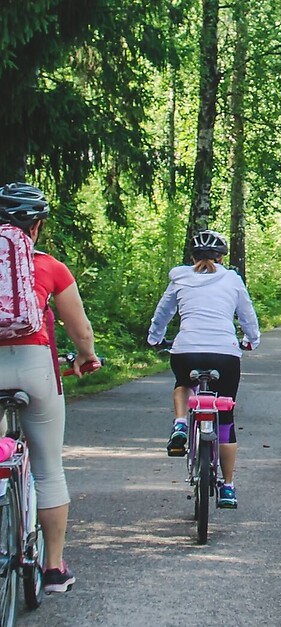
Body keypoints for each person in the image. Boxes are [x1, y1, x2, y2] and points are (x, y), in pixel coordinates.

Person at [0, 182, 101, 594]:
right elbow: (79, 330)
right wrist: (85, 356)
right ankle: (54, 568)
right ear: (37, 225)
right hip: (36, 364)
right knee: (48, 468)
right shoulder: (50, 267)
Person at [147, 229, 260, 509]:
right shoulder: (233, 279)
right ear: (221, 257)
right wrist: (251, 340)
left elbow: (164, 312)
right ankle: (228, 487)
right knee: (226, 418)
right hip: (225, 355)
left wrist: (155, 337)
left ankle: (181, 424)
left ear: (192, 256)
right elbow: (247, 316)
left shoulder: (179, 277)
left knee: (183, 383)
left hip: (187, 351)